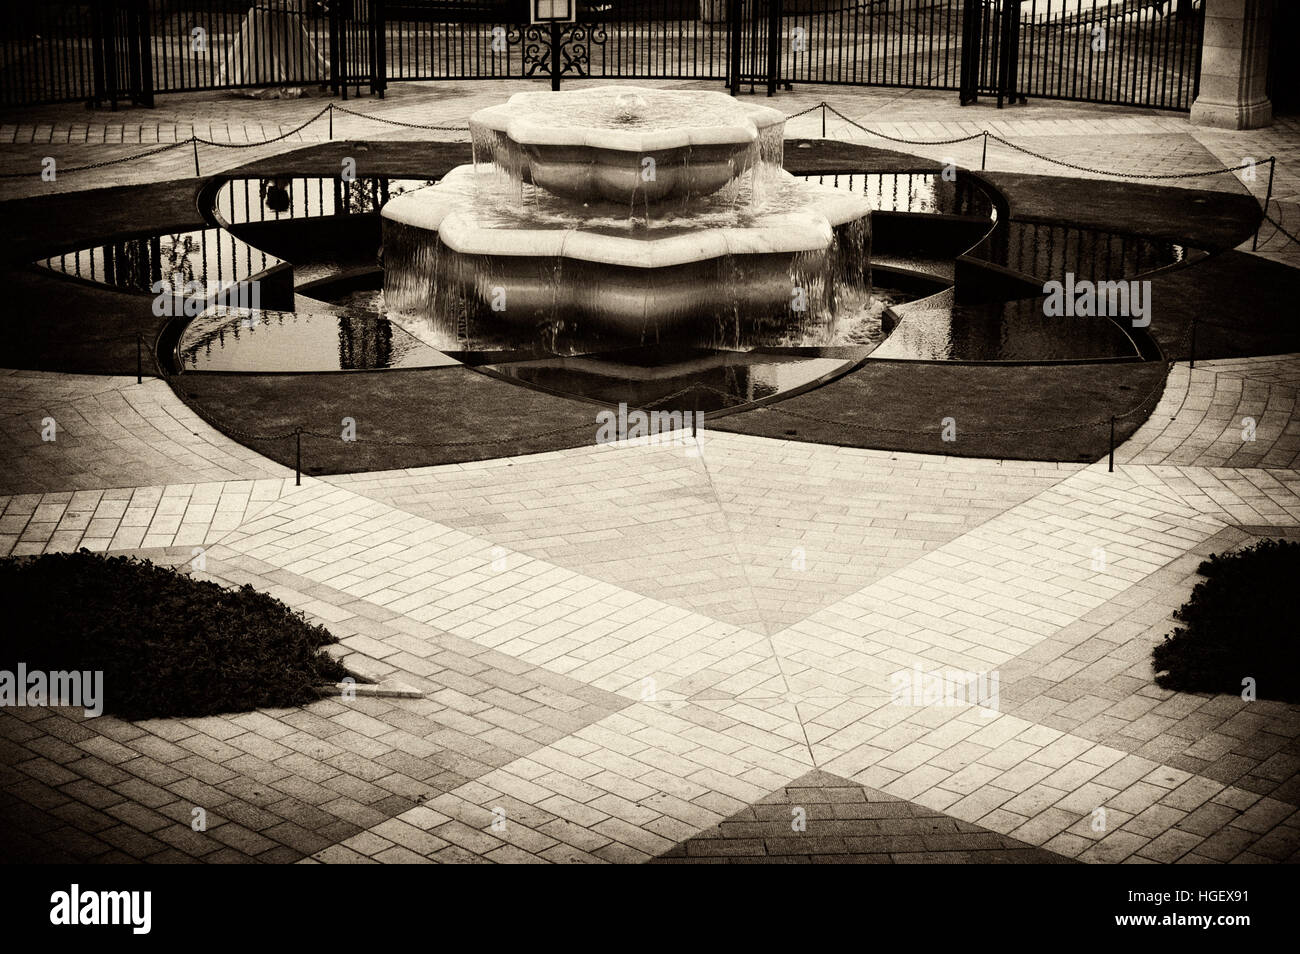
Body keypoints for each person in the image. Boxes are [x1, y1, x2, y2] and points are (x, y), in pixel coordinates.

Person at [219, 0, 330, 99]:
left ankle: (275, 77)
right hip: (268, 10)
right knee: (267, 45)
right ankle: (269, 77)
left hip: (278, 11)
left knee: (283, 45)